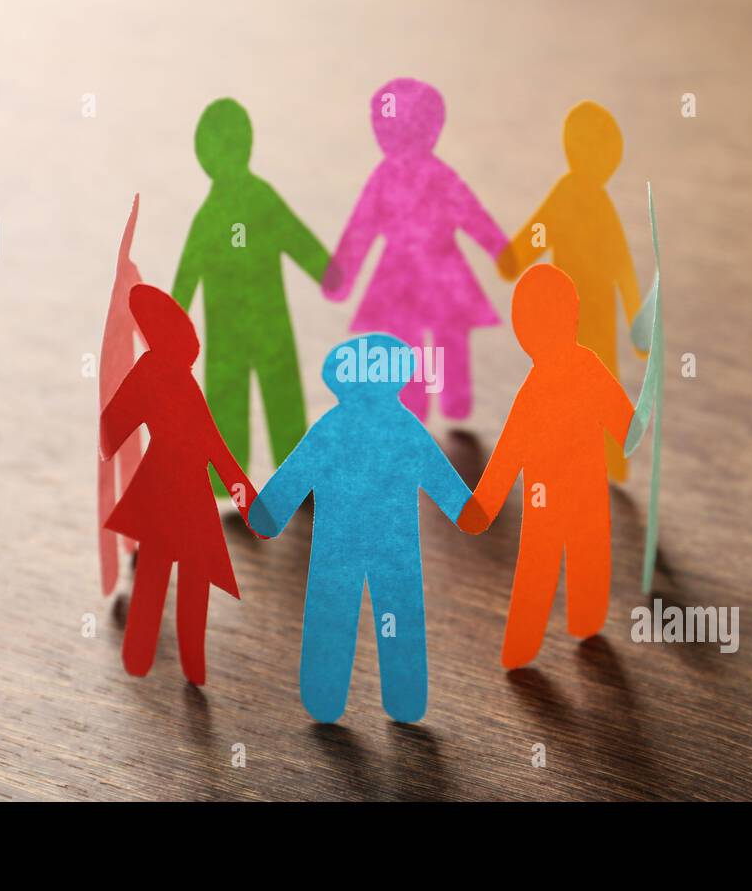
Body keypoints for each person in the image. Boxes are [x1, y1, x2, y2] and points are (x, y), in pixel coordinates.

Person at [249, 333, 473, 723]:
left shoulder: (337, 426)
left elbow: (295, 475)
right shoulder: (400, 427)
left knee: (337, 614)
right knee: (390, 614)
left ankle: (331, 695)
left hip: (346, 544)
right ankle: (394, 698)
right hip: (389, 544)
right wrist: (467, 512)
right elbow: (441, 479)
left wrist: (268, 514)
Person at [457, 265, 635, 669]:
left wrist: (481, 508)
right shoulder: (577, 370)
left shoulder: (546, 383)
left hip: (555, 499)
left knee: (548, 565)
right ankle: (565, 628)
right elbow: (625, 426)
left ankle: (565, 628)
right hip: (570, 495)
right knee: (562, 560)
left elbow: (509, 452)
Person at [100, 284, 259, 685]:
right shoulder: (156, 373)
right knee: (172, 572)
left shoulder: (176, 378)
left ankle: (184, 663)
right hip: (172, 491)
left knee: (185, 574)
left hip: (182, 494)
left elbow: (213, 447)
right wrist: (248, 503)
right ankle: (154, 657)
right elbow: (115, 427)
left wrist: (248, 503)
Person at [323, 78, 507, 422]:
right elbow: (363, 225)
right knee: (422, 337)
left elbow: (468, 212)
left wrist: (500, 248)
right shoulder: (416, 175)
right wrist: (500, 250)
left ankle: (448, 401)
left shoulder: (420, 175)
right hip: (422, 272)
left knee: (440, 336)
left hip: (420, 271)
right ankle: (426, 403)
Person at [173, 98, 330, 496]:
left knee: (239, 399)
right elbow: (297, 238)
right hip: (264, 323)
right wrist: (328, 272)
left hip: (232, 331)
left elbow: (187, 276)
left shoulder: (213, 213)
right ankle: (272, 478)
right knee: (273, 397)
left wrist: (169, 326)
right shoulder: (255, 199)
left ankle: (231, 485)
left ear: (203, 156)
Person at [498, 101, 645, 481]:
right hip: (567, 309)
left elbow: (620, 264)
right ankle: (587, 453)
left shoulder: (589, 200)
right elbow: (541, 229)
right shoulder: (574, 195)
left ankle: (608, 456)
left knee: (585, 378)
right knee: (578, 378)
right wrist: (514, 257)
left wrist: (636, 323)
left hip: (584, 309)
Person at [97, 193, 144, 596]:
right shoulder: (114, 277)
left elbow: (148, 323)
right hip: (112, 388)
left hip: (131, 383)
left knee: (129, 460)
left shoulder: (128, 275)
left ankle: (132, 544)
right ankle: (122, 554)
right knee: (113, 463)